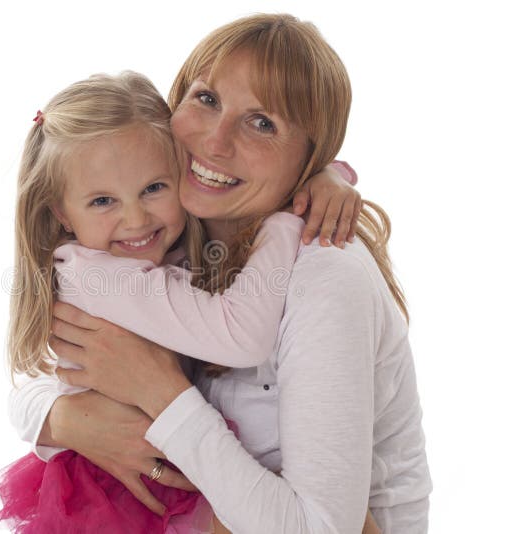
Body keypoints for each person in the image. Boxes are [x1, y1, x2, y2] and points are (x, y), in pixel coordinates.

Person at [34, 13, 432, 533]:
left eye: (262, 122)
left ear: (310, 157)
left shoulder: (325, 274)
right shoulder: (169, 233)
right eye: (206, 99)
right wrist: (61, 420)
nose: (215, 143)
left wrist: (159, 389)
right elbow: (35, 367)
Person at [0, 70, 361, 533]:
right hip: (121, 496)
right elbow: (240, 337)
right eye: (103, 200)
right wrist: (287, 218)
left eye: (153, 188)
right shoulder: (99, 278)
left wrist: (324, 176)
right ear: (61, 213)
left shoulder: (155, 253)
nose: (135, 218)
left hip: (173, 474)